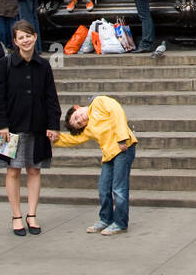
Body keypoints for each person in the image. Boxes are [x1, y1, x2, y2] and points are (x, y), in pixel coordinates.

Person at [0, 21, 60, 235]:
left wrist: (53, 124)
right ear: (15, 41)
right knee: (13, 170)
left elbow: (50, 97)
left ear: (35, 37)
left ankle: (32, 214)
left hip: (37, 125)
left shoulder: (43, 65)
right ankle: (16, 215)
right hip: (11, 127)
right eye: (21, 37)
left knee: (35, 169)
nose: (25, 40)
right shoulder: (4, 64)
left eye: (28, 36)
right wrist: (2, 125)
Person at [57, 96, 138, 235]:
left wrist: (122, 137)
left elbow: (116, 112)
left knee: (119, 188)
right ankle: (106, 219)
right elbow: (73, 139)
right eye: (78, 124)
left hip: (123, 148)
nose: (80, 120)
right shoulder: (88, 128)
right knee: (103, 188)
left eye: (77, 117)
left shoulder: (99, 102)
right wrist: (55, 139)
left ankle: (120, 223)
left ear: (77, 107)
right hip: (109, 155)